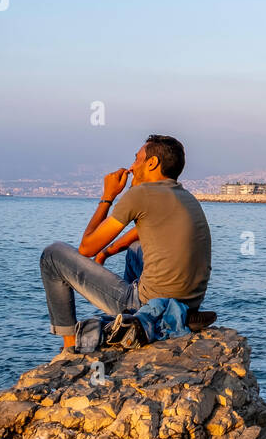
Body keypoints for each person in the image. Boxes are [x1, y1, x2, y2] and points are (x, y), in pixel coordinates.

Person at [40, 134, 213, 352]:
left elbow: (86, 248)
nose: (131, 167)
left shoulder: (140, 195)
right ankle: (150, 318)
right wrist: (108, 252)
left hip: (148, 301)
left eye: (136, 159)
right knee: (134, 249)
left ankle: (70, 344)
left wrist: (108, 196)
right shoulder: (185, 196)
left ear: (152, 163)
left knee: (52, 255)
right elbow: (141, 233)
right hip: (190, 303)